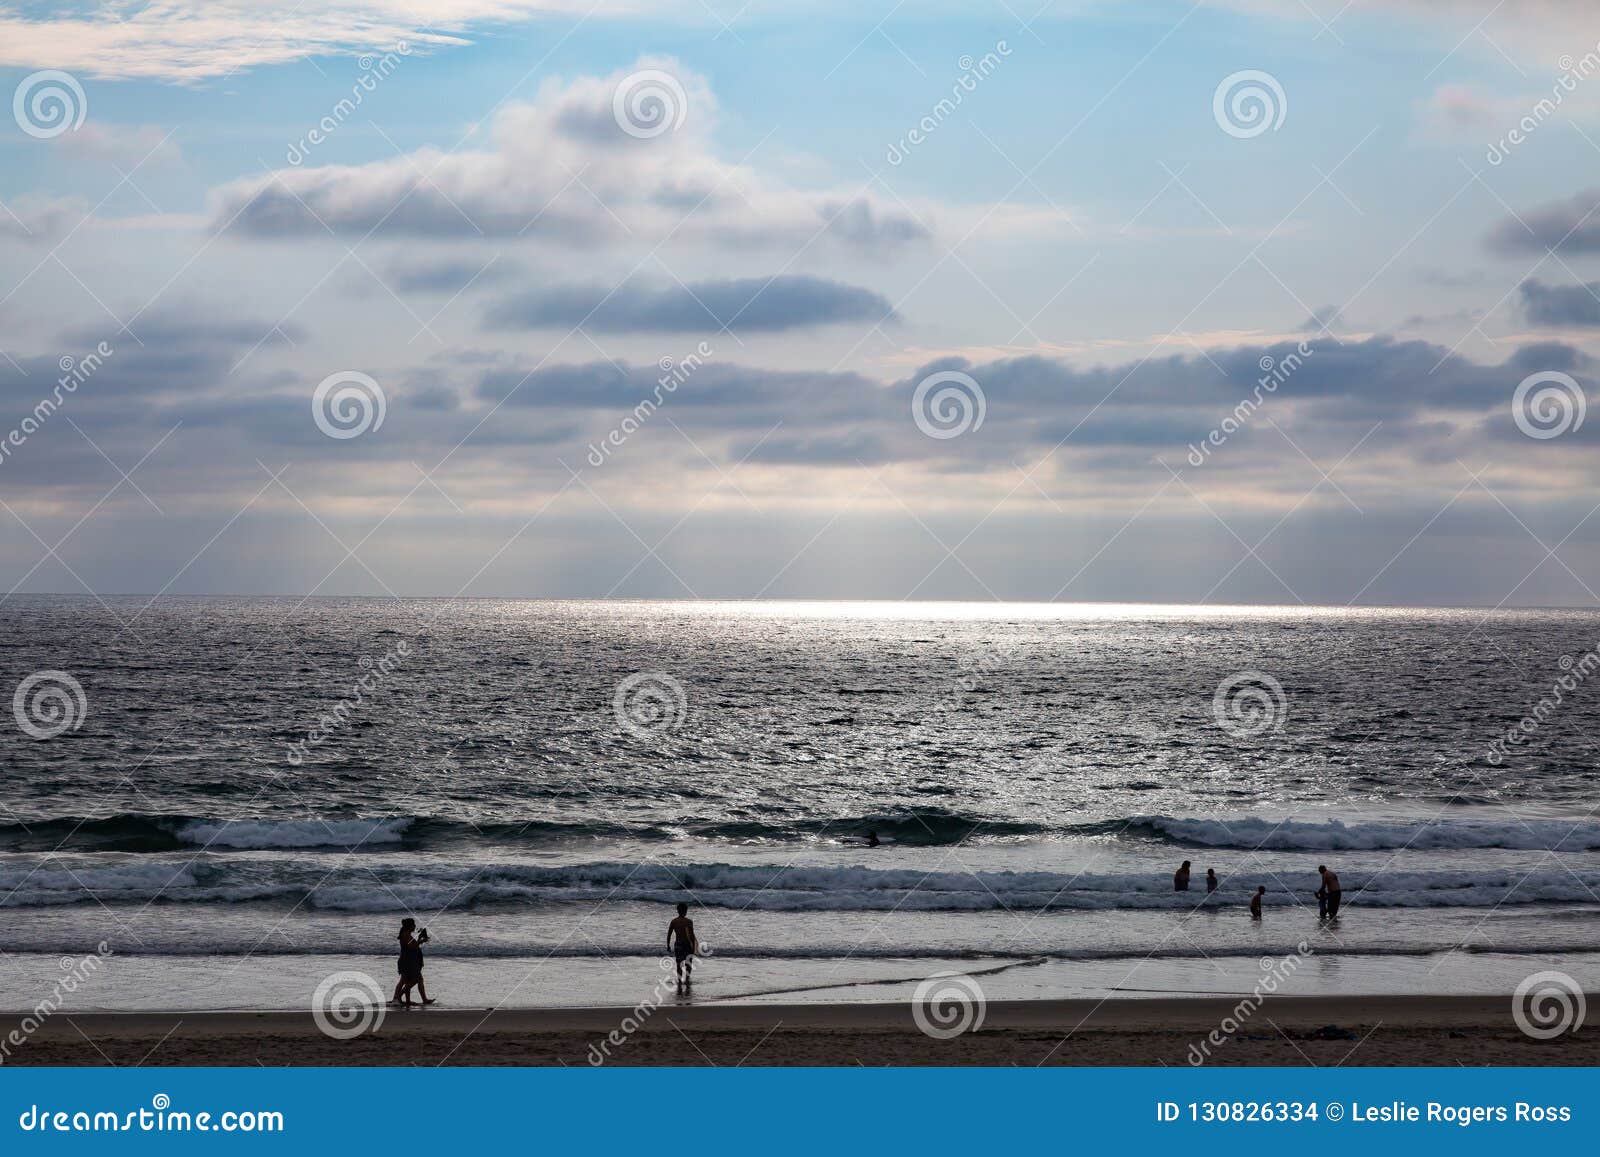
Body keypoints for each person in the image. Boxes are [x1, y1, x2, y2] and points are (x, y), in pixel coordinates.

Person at [392, 917, 434, 1006]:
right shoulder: (406, 935)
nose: (415, 926)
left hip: (408, 960)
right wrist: (421, 940)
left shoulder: (407, 934)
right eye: (413, 925)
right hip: (408, 961)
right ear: (410, 926)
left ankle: (406, 1000)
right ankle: (398, 996)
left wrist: (419, 939)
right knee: (415, 979)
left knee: (407, 980)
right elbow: (412, 947)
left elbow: (412, 946)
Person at [667, 902, 698, 990]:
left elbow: (669, 934)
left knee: (679, 964)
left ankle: (680, 981)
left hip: (678, 944)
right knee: (688, 963)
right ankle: (687, 980)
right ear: (685, 911)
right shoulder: (688, 922)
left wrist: (668, 945)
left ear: (677, 911)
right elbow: (691, 935)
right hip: (687, 944)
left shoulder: (674, 921)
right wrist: (693, 946)